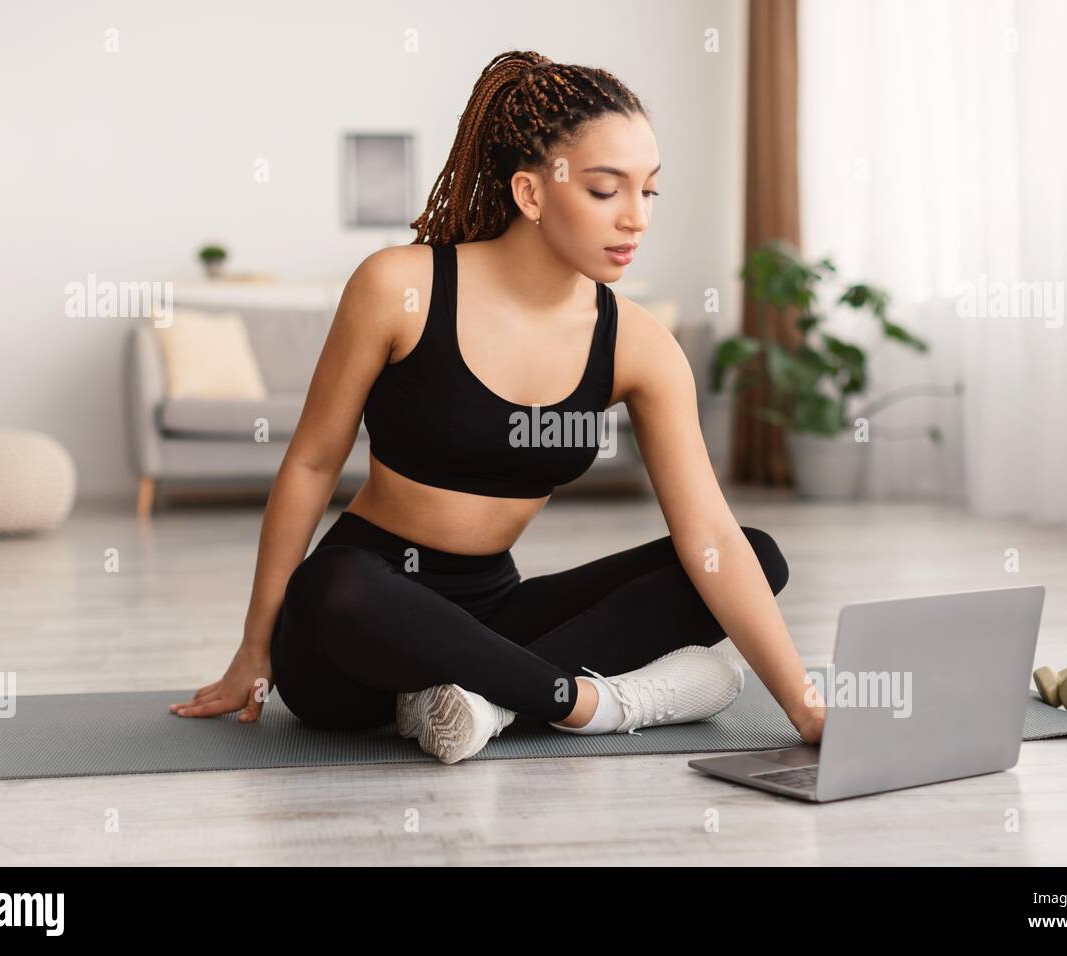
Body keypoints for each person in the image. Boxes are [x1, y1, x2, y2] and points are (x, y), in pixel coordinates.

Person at [169, 49, 827, 763]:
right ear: (531, 193)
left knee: (755, 557)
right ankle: (589, 704)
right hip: (357, 634)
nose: (636, 219)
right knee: (338, 582)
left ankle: (479, 701)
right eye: (607, 191)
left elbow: (711, 537)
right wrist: (252, 649)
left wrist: (806, 708)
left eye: (650, 192)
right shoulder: (400, 288)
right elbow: (312, 462)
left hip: (496, 617)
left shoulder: (638, 346)